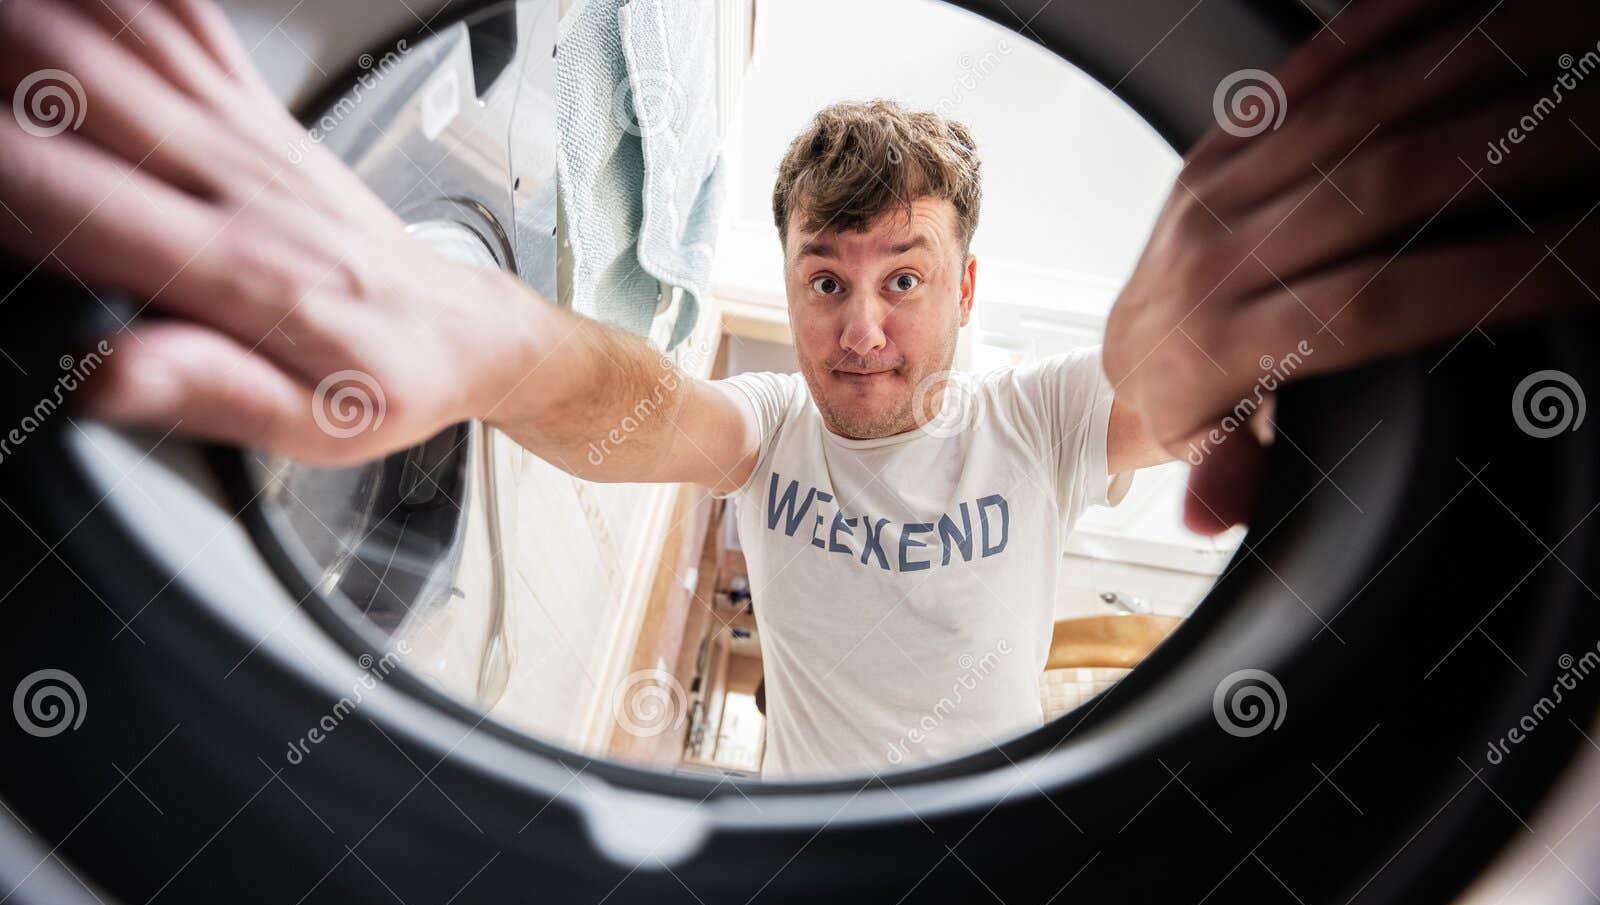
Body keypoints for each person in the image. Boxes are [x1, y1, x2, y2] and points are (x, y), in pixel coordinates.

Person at [0, 0, 1594, 777]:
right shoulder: (763, 437)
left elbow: (1142, 378)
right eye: (825, 283)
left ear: (964, 289)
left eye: (904, 280)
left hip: (1005, 819)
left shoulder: (1033, 421)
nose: (861, 331)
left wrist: (1239, 337)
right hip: (799, 823)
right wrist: (482, 328)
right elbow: (632, 408)